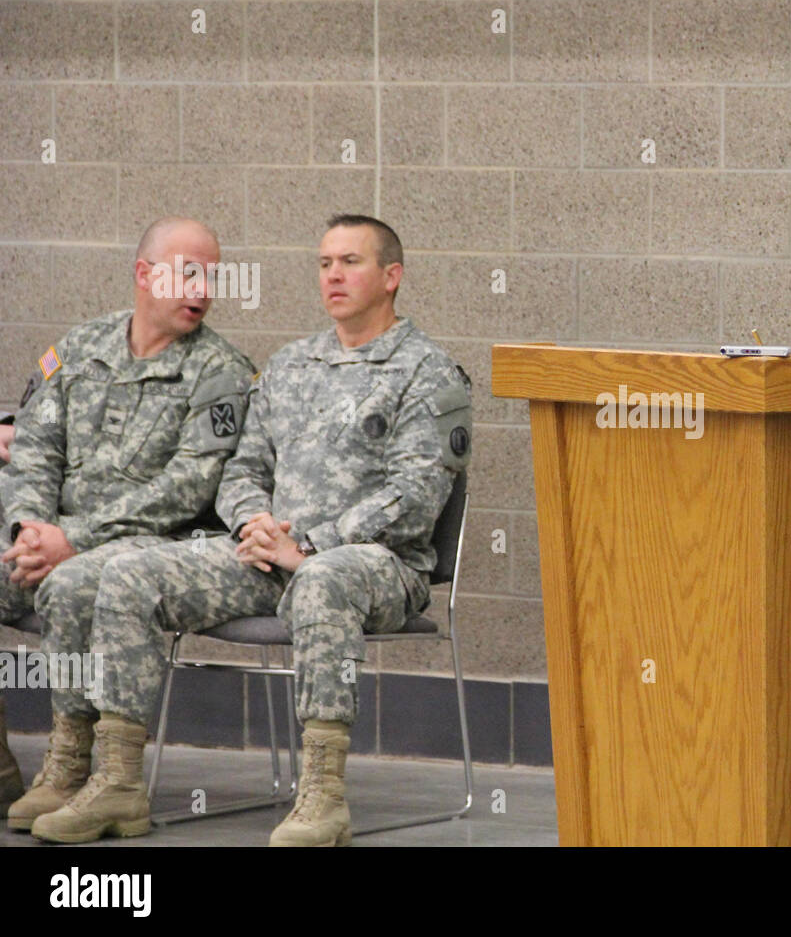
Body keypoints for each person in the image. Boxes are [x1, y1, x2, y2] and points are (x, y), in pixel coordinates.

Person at [30, 215, 472, 846]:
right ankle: (119, 784)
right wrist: (252, 520)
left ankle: (322, 797)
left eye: (350, 262)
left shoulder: (429, 373)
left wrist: (308, 545)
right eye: (324, 264)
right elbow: (242, 467)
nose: (334, 275)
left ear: (392, 277)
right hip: (268, 554)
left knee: (322, 580)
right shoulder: (291, 364)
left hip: (378, 564)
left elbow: (416, 495)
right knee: (129, 574)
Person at [1, 218, 256, 827]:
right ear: (145, 275)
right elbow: (35, 447)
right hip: (54, 537)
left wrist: (75, 540)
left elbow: (188, 488)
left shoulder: (220, 371)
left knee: (71, 582)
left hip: (154, 544)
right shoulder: (80, 348)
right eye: (188, 272)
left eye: (212, 276)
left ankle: (71, 760)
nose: (202, 288)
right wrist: (28, 530)